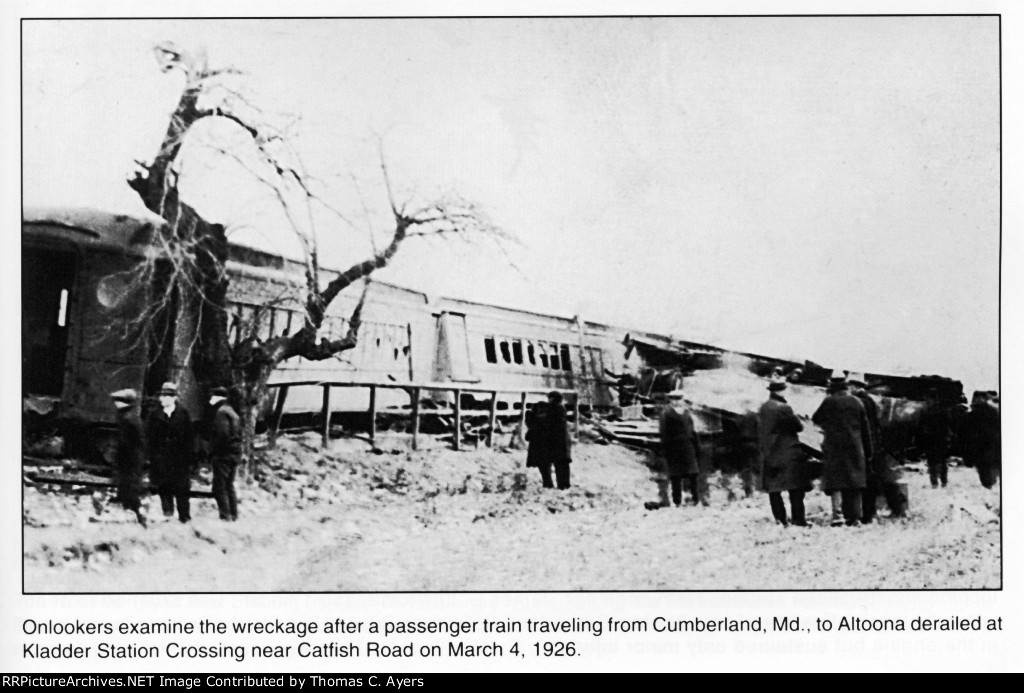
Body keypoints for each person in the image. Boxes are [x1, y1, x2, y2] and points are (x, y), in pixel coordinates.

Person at [812, 371, 872, 526]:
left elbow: (816, 418)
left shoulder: (829, 401)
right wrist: (868, 451)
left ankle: (838, 516)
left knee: (836, 482)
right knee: (855, 482)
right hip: (855, 447)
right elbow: (865, 429)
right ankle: (855, 518)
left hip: (835, 447)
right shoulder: (857, 402)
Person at [847, 373, 905, 520]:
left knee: (872, 481)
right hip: (875, 445)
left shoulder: (860, 401)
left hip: (868, 446)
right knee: (881, 479)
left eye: (849, 386)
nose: (848, 389)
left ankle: (871, 513)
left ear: (854, 386)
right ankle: (895, 509)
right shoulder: (868, 400)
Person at [757, 378, 810, 526]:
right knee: (796, 489)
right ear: (781, 391)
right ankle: (798, 520)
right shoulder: (784, 408)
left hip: (769, 452)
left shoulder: (763, 408)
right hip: (788, 452)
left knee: (774, 490)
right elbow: (798, 427)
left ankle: (780, 520)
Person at [146, 381, 194, 523]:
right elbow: (148, 435)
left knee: (182, 489)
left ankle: (184, 516)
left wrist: (189, 458)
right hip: (161, 458)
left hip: (179, 458)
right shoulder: (154, 414)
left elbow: (189, 437)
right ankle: (167, 513)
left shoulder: (183, 413)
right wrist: (152, 455)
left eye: (166, 396)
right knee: (163, 486)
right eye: (162, 396)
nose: (162, 399)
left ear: (173, 398)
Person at [110, 388, 147, 527]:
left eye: (118, 401)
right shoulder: (128, 416)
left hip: (130, 458)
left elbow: (134, 442)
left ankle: (140, 517)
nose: (115, 404)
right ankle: (132, 515)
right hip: (128, 458)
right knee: (126, 487)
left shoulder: (129, 418)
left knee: (130, 488)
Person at [659, 389, 701, 507]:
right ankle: (677, 501)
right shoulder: (665, 413)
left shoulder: (687, 413)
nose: (676, 401)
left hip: (687, 446)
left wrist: (696, 445)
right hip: (673, 447)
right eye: (674, 399)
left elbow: (692, 430)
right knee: (675, 475)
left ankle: (695, 499)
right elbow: (663, 432)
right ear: (670, 400)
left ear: (682, 399)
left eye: (678, 398)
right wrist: (665, 448)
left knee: (693, 474)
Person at [208, 386, 241, 521]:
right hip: (234, 452)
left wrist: (214, 452)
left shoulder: (221, 412)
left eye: (212, 396)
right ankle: (233, 515)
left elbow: (222, 434)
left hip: (223, 455)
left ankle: (225, 517)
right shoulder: (232, 412)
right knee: (229, 486)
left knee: (219, 488)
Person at [965, 390, 1001, 489]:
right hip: (985, 443)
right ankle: (989, 482)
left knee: (985, 464)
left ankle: (989, 482)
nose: (978, 400)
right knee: (985, 464)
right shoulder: (992, 411)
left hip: (984, 443)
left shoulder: (990, 411)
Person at [918, 389, 952, 488]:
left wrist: (946, 435)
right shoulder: (925, 411)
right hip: (931, 439)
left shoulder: (942, 411)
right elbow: (921, 424)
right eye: (926, 399)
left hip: (940, 438)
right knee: (932, 461)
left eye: (929, 399)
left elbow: (948, 424)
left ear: (935, 399)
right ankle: (935, 483)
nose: (927, 401)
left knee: (941, 461)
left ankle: (943, 481)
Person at [545, 391, 573, 490]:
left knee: (559, 463)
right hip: (564, 440)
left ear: (552, 398)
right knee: (564, 464)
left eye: (549, 398)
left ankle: (562, 485)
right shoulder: (561, 408)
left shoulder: (553, 408)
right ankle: (565, 484)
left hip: (557, 440)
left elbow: (550, 424)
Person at [524, 401, 553, 489]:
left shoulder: (536, 420)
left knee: (543, 466)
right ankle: (548, 483)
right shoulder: (549, 419)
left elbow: (528, 436)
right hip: (548, 446)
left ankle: (548, 484)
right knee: (546, 466)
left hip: (539, 447)